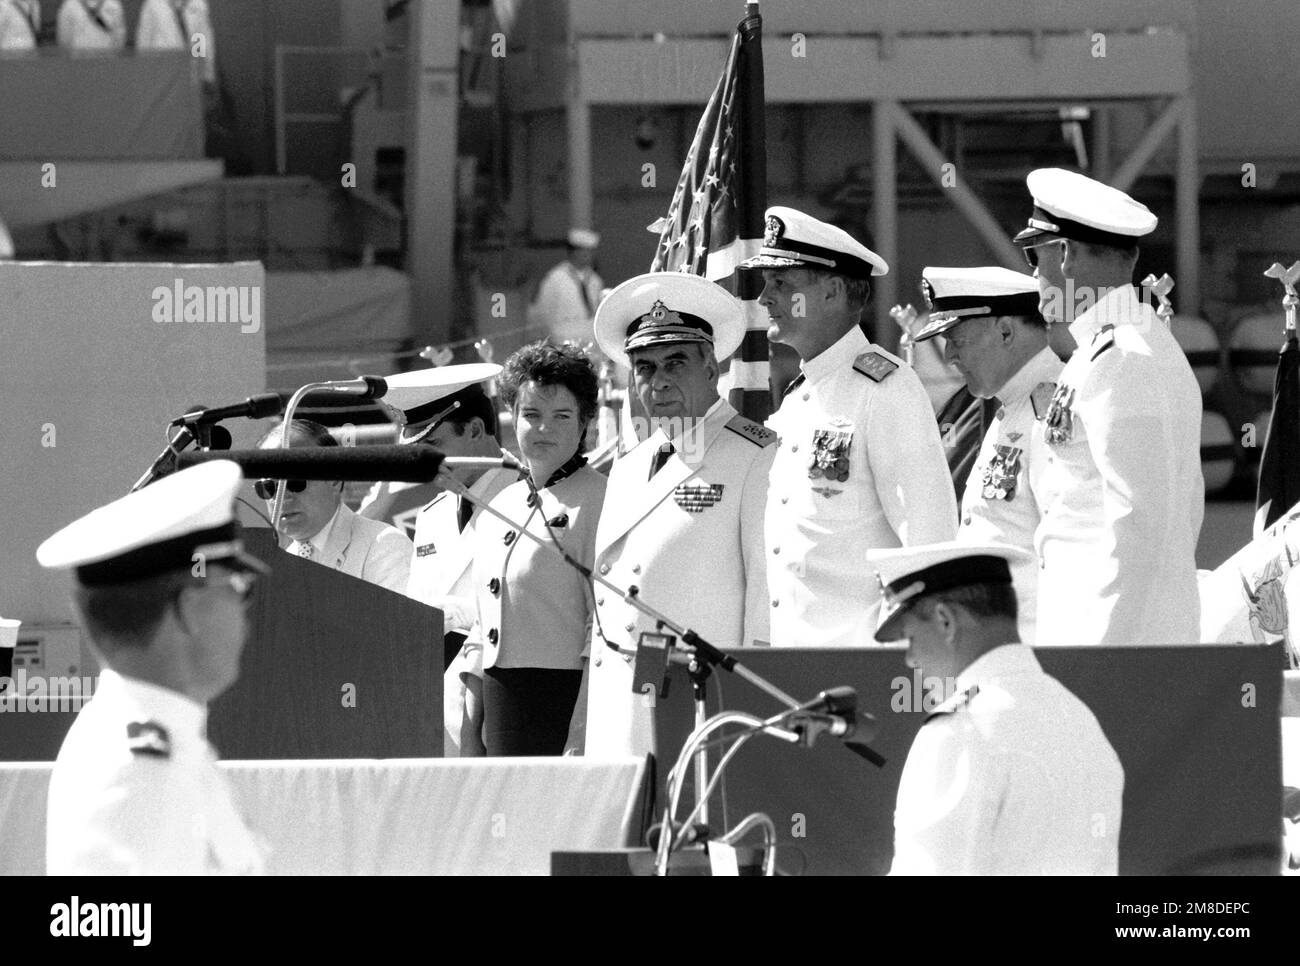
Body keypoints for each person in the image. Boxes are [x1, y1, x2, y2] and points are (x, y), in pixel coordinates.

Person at [576, 272, 775, 758]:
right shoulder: (628, 467)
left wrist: (753, 710)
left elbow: (765, 601)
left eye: (675, 362)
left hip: (700, 705)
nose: (658, 380)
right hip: (619, 706)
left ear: (711, 365)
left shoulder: (757, 455)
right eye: (643, 366)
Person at [37, 461, 266, 874]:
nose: (244, 610)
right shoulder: (140, 774)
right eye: (237, 586)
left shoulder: (159, 745)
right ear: (190, 609)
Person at [742, 206, 957, 647]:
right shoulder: (801, 395)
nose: (764, 298)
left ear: (833, 291)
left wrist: (896, 659)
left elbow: (929, 543)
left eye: (781, 283)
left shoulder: (885, 388)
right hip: (789, 663)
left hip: (859, 666)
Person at [1015, 168, 1203, 645]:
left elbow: (1141, 525)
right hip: (1091, 637)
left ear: (1066, 254)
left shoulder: (1123, 359)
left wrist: (1109, 659)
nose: (1034, 276)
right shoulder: (1107, 350)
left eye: (1035, 258)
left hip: (1111, 647)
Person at [869, 541, 1124, 875]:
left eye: (911, 636)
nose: (910, 658)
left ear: (945, 621)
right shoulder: (1078, 718)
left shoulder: (960, 729)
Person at [464, 341, 606, 756]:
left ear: (585, 424)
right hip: (499, 700)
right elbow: (482, 622)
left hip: (562, 702)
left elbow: (599, 632)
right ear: (512, 417)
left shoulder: (603, 502)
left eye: (562, 416)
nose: (544, 428)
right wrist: (471, 725)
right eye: (531, 415)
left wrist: (580, 731)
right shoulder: (499, 505)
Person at [911, 266, 1064, 644]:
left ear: (1006, 331)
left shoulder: (1057, 412)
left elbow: (1071, 549)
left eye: (957, 338)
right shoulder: (1011, 408)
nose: (948, 356)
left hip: (1040, 650)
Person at [376, 364, 517, 757]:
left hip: (498, 712)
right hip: (431, 716)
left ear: (474, 429)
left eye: (434, 444)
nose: (426, 462)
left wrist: (451, 613)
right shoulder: (432, 514)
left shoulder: (532, 499)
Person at [256, 418, 412, 594]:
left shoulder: (384, 546)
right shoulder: (276, 566)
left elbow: (395, 621)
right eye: (269, 487)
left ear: (335, 480)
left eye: (295, 482)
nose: (281, 498)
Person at [527, 228, 604, 346]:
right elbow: (543, 311)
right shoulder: (556, 278)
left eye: (590, 251)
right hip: (563, 339)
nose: (587, 255)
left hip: (589, 339)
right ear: (573, 252)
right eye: (582, 251)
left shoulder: (595, 280)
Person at [136, 0, 215, 84]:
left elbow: (202, 41)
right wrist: (144, 75)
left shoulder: (198, 4)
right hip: (161, 73)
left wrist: (206, 74)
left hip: (190, 74)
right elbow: (144, 42)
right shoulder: (153, 4)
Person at [56, 0, 124, 50]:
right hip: (80, 58)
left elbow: (64, 37)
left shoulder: (69, 4)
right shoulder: (69, 5)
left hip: (80, 56)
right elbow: (64, 37)